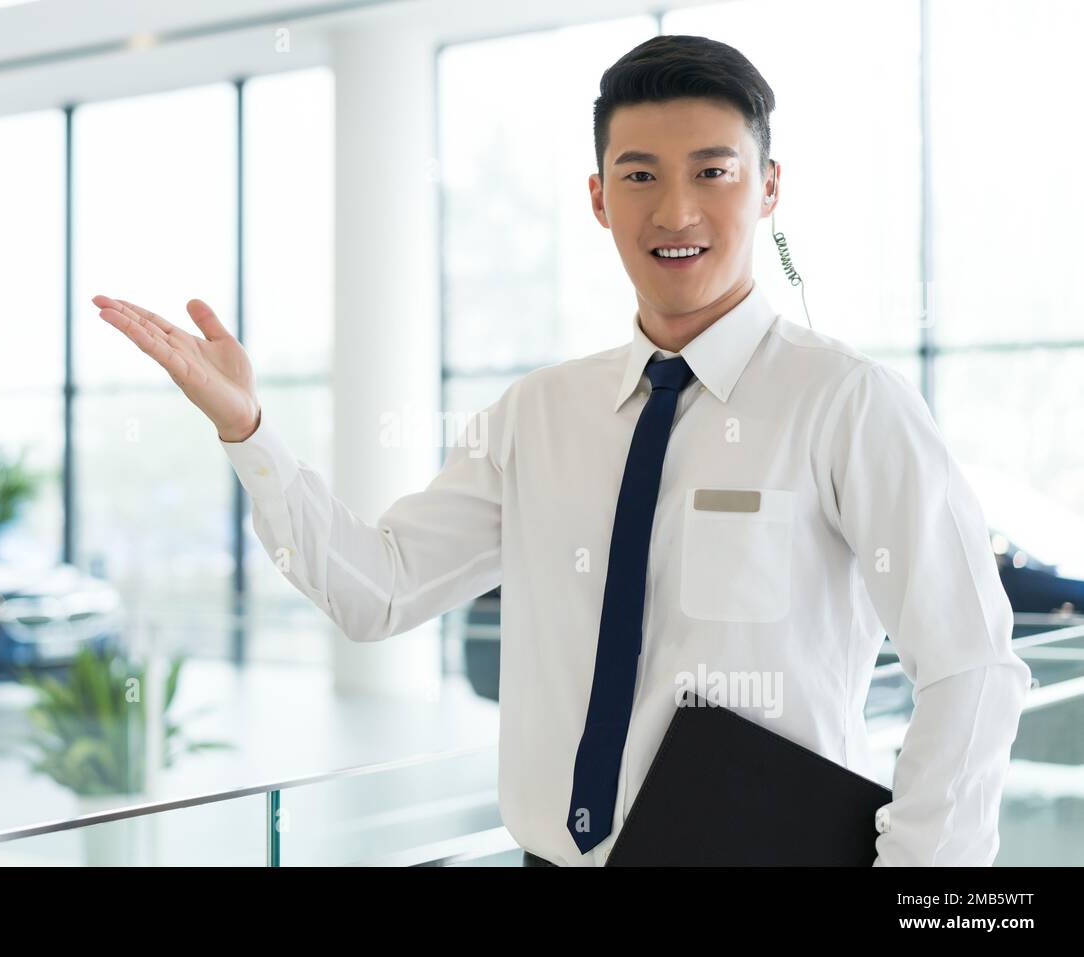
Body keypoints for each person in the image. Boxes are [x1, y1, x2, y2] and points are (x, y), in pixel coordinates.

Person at [92, 34, 1031, 867]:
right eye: (639, 175)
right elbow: (375, 592)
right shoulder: (537, 413)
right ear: (597, 196)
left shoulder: (848, 403)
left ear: (769, 186)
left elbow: (971, 667)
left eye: (713, 172)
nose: (675, 212)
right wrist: (249, 430)